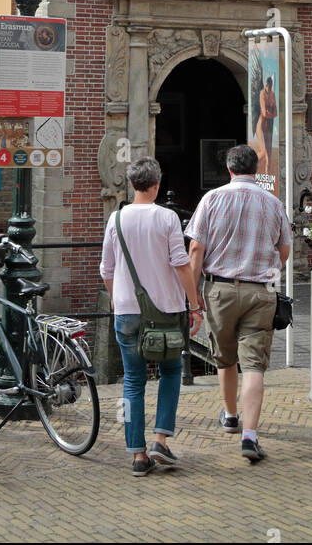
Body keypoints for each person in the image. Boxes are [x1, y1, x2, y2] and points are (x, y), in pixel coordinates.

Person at [186, 143, 292, 463]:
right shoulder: (273, 203)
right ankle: (250, 435)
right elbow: (285, 249)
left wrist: (194, 301)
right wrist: (272, 271)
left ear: (229, 170)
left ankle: (231, 416)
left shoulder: (212, 199)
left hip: (220, 291)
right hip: (261, 292)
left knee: (225, 357)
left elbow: (195, 253)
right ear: (256, 170)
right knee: (254, 364)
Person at [100, 156, 202, 476]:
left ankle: (138, 455)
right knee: (171, 373)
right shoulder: (167, 218)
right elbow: (180, 264)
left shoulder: (115, 220)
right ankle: (160, 438)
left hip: (127, 311)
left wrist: (119, 298)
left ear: (131, 185)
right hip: (166, 313)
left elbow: (107, 270)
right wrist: (195, 304)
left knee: (133, 380)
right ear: (157, 185)